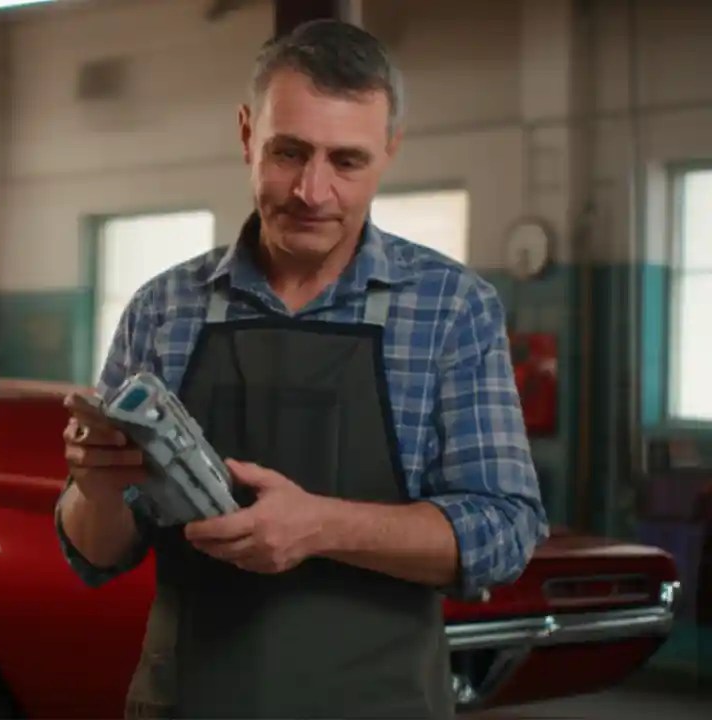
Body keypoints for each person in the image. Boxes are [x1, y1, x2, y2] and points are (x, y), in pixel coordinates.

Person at [53, 18, 549, 720]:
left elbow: (504, 534)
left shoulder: (451, 309)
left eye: (347, 162)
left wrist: (322, 527)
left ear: (390, 152)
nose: (313, 191)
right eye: (289, 153)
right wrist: (97, 490)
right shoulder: (164, 307)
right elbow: (95, 555)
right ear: (247, 133)